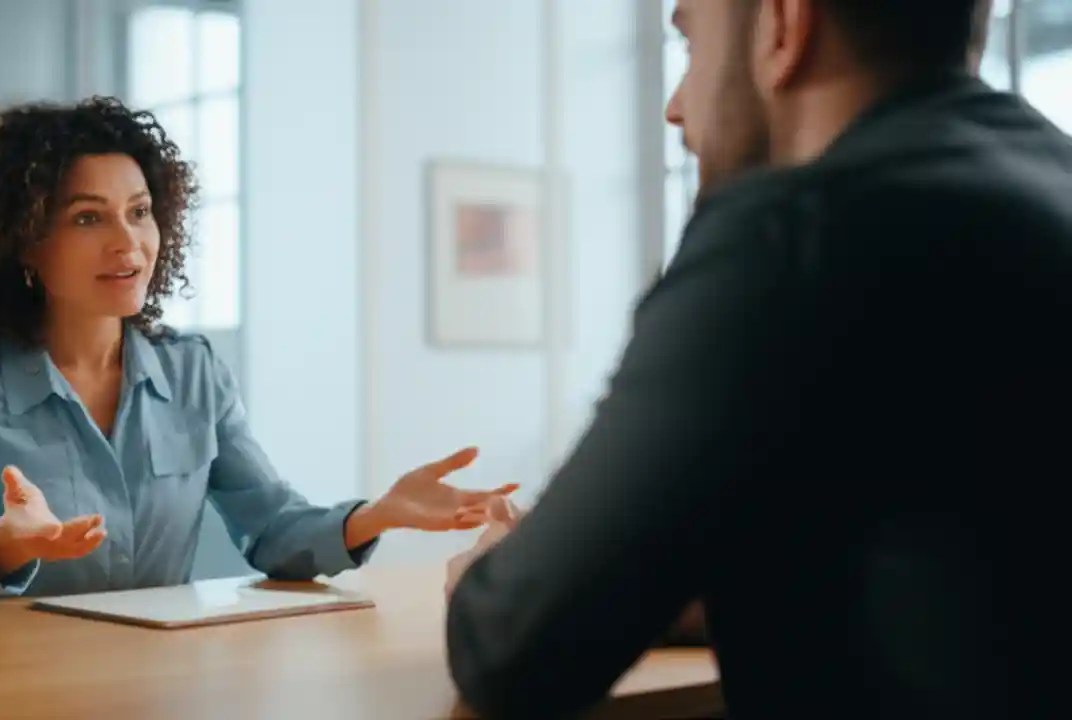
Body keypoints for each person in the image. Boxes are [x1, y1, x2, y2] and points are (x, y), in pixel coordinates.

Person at [445, 0, 1069, 717]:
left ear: (783, 25)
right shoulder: (1042, 188)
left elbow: (511, 649)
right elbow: (964, 585)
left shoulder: (799, 232)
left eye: (690, 46)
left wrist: (481, 574)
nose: (675, 110)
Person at [0, 97, 517, 614]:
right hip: (6, 691)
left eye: (140, 212)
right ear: (24, 244)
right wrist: (0, 546)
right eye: (89, 219)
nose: (130, 243)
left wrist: (379, 513)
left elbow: (272, 530)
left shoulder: (193, 372)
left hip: (160, 682)